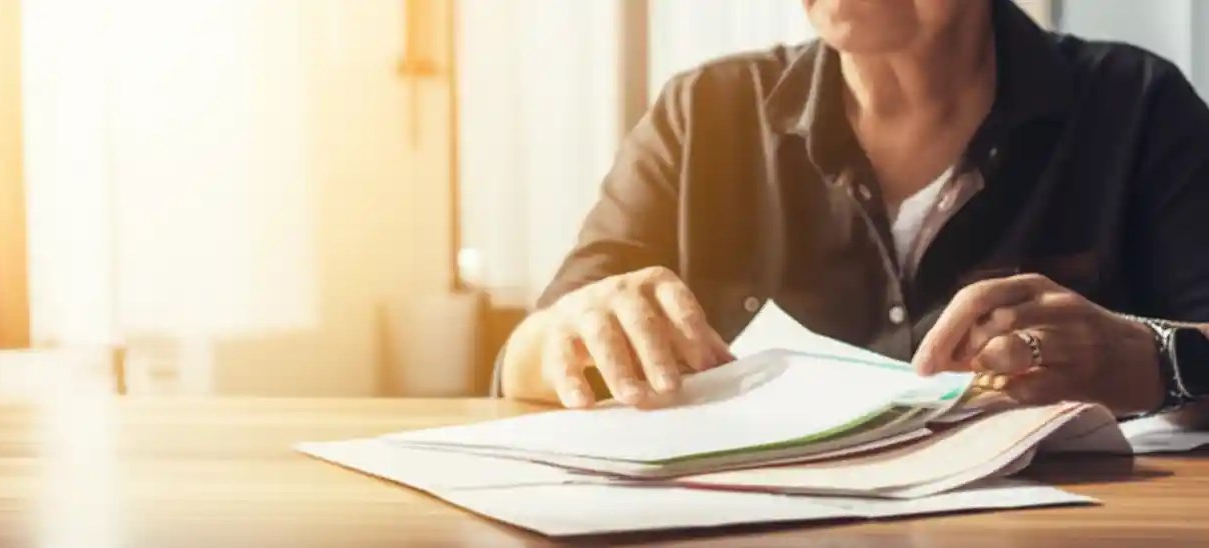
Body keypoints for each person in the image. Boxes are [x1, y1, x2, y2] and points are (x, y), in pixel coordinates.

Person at [499, 0, 1209, 416]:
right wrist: (570, 330)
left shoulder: (1138, 104)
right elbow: (526, 359)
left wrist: (1148, 357)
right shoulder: (701, 113)